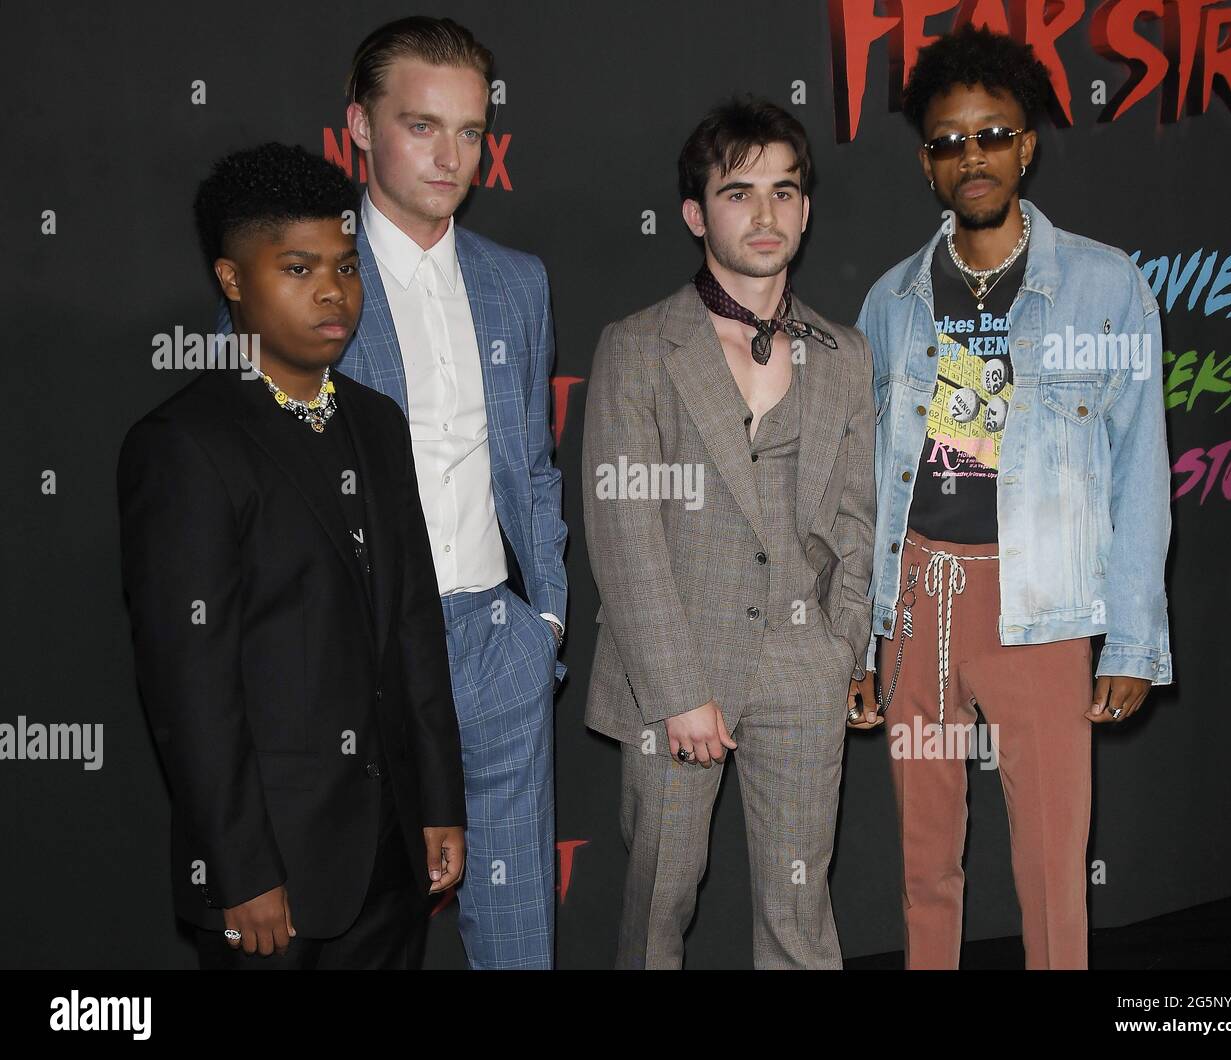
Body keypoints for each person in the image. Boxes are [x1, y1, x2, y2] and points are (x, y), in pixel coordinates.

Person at [217, 16, 568, 969]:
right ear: (361, 128)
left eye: (469, 129)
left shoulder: (516, 284)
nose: (452, 154)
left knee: (519, 935)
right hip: (358, 662)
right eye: (422, 126)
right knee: (363, 936)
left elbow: (532, 465)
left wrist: (543, 629)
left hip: (497, 646)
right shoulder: (303, 278)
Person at [851, 24, 1173, 969]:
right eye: (949, 142)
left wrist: (1133, 638)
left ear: (1026, 146)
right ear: (927, 164)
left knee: (1048, 862)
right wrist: (862, 632)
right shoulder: (890, 304)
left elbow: (1138, 471)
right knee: (922, 859)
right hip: (914, 604)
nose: (972, 158)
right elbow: (865, 484)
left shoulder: (1106, 289)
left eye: (992, 135)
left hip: (1042, 604)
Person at [118, 142, 466, 970]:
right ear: (233, 280)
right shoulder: (185, 446)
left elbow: (413, 624)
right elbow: (188, 683)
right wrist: (238, 870)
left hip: (392, 854)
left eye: (345, 268)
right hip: (274, 871)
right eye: (299, 268)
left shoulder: (377, 421)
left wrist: (438, 803)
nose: (331, 293)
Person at [583, 98, 876, 968]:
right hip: (676, 666)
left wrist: (840, 651)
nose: (765, 214)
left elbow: (859, 517)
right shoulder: (639, 348)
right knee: (660, 903)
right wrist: (677, 690)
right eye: (739, 191)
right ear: (694, 213)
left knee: (799, 904)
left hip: (803, 664)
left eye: (784, 192)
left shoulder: (845, 352)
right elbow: (624, 530)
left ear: (806, 209)